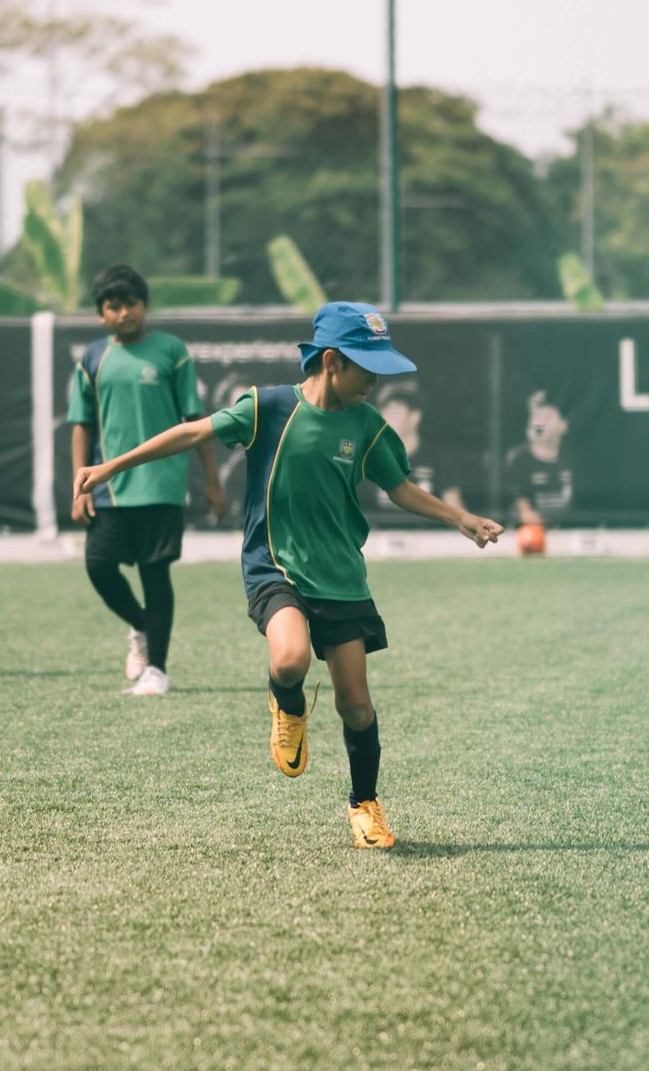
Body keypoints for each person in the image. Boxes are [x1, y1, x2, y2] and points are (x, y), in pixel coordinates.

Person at [80, 301, 502, 850]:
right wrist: (111, 466)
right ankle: (289, 701)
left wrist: (461, 520)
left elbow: (399, 488)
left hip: (342, 578)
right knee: (290, 658)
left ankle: (365, 805)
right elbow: (190, 434)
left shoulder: (368, 426)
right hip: (275, 568)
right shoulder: (266, 408)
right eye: (366, 368)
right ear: (331, 361)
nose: (376, 381)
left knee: (356, 705)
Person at [68, 264, 226, 697]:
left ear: (145, 305)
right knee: (98, 566)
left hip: (162, 484)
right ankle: (141, 627)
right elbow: (81, 423)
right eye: (113, 306)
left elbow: (196, 422)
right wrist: (78, 485)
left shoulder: (172, 351)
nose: (124, 313)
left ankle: (157, 667)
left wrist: (213, 481)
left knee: (155, 574)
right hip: (109, 485)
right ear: (101, 314)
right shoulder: (93, 358)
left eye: (131, 303)